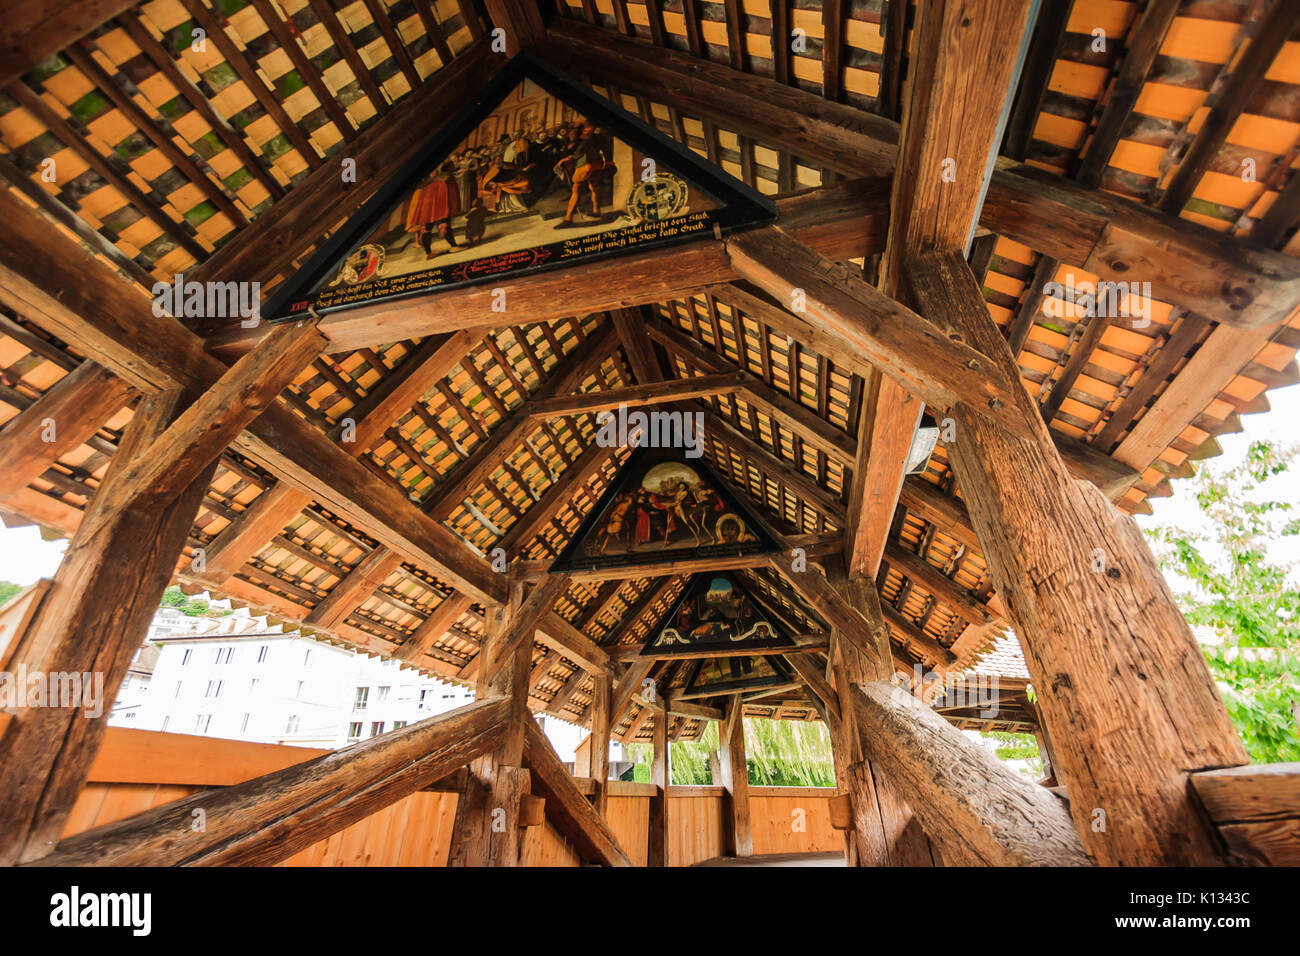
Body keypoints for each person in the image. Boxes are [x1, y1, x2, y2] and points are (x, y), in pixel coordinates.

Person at [405, 162, 461, 259]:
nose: (434, 173)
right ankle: (453, 246)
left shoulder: (426, 185)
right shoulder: (440, 183)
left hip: (428, 213)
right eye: (433, 172)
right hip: (439, 210)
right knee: (440, 226)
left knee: (427, 229)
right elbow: (443, 197)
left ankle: (429, 253)